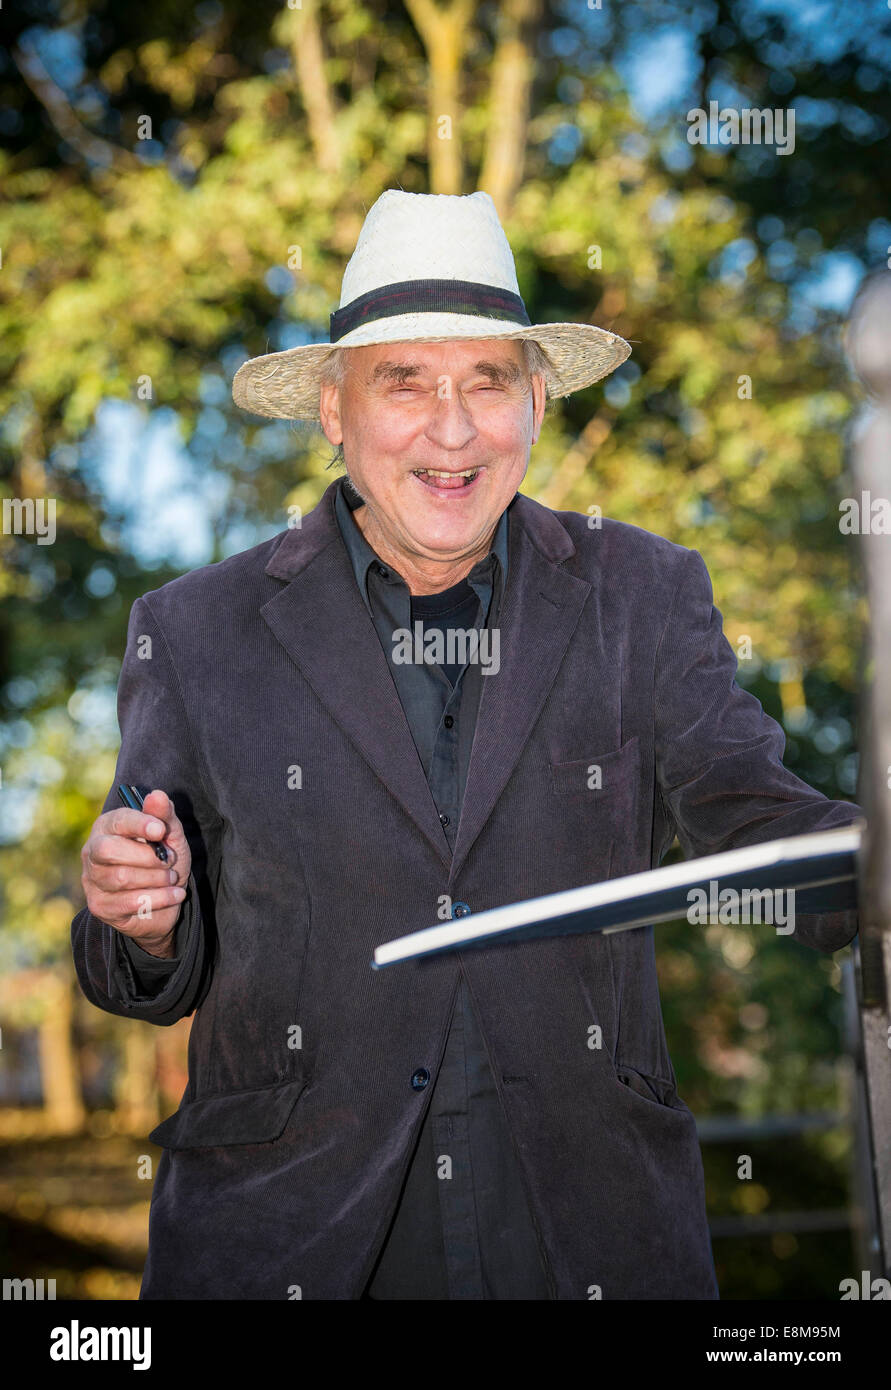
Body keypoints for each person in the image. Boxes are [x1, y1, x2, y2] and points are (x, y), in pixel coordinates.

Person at [72, 189, 860, 1300]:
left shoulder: (644, 593)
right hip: (292, 1243)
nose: (453, 428)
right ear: (334, 412)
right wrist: (141, 915)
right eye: (405, 383)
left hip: (589, 1237)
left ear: (535, 405)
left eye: (487, 382)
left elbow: (765, 822)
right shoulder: (196, 630)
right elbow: (140, 956)